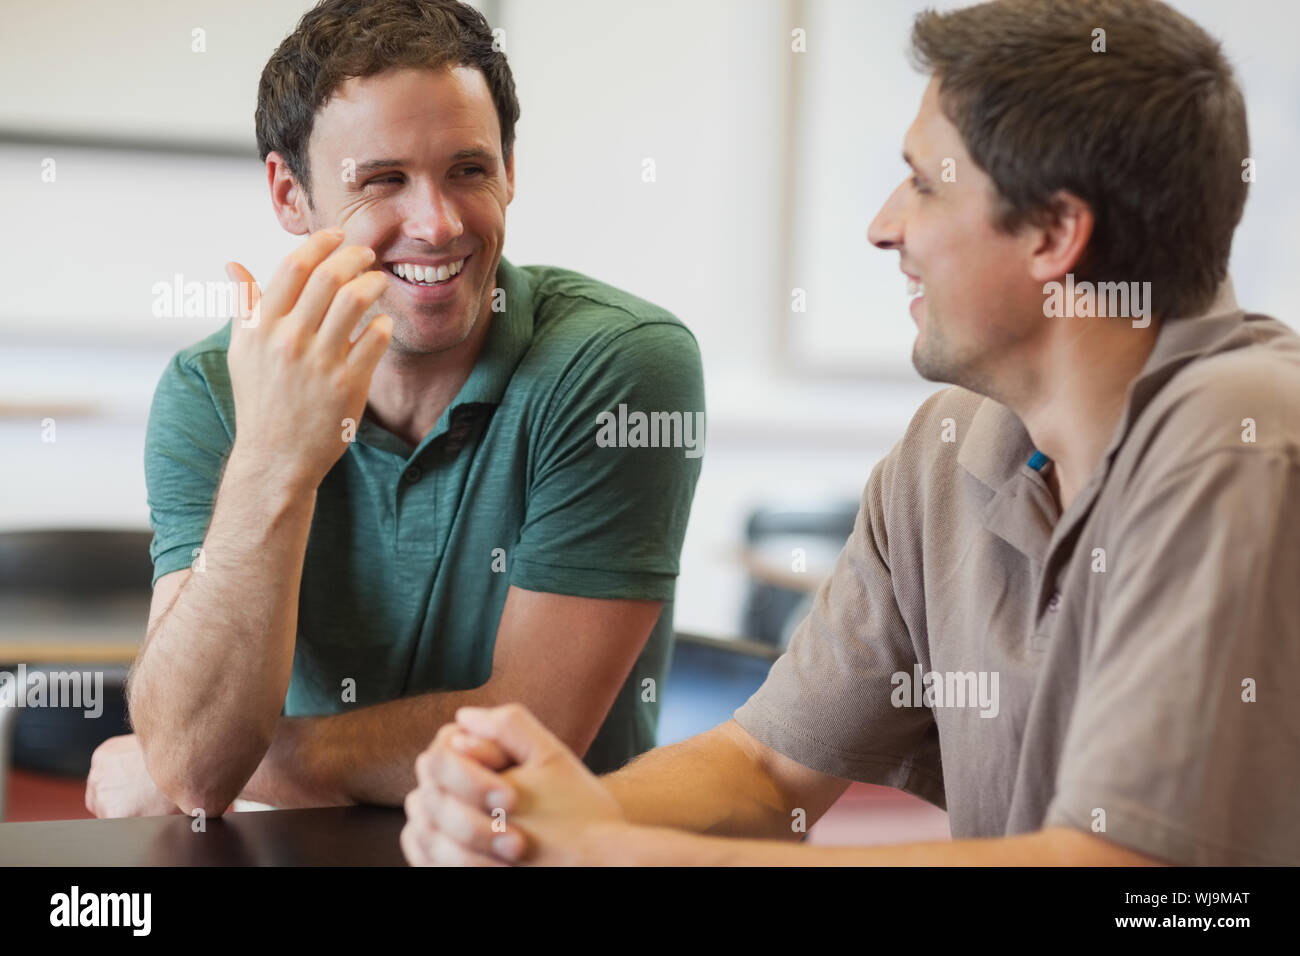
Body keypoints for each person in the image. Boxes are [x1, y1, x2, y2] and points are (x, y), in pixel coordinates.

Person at [401, 0, 1300, 865]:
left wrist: (609, 851)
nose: (884, 226)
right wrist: (519, 820)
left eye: (922, 184)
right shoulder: (952, 447)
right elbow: (766, 772)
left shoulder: (1242, 439)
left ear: (1055, 233)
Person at [85, 0, 703, 818]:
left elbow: (531, 744)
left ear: (510, 167)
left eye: (468, 170)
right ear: (289, 193)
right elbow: (199, 765)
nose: (438, 224)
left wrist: (246, 761)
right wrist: (274, 454)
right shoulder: (211, 389)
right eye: (383, 181)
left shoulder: (621, 364)